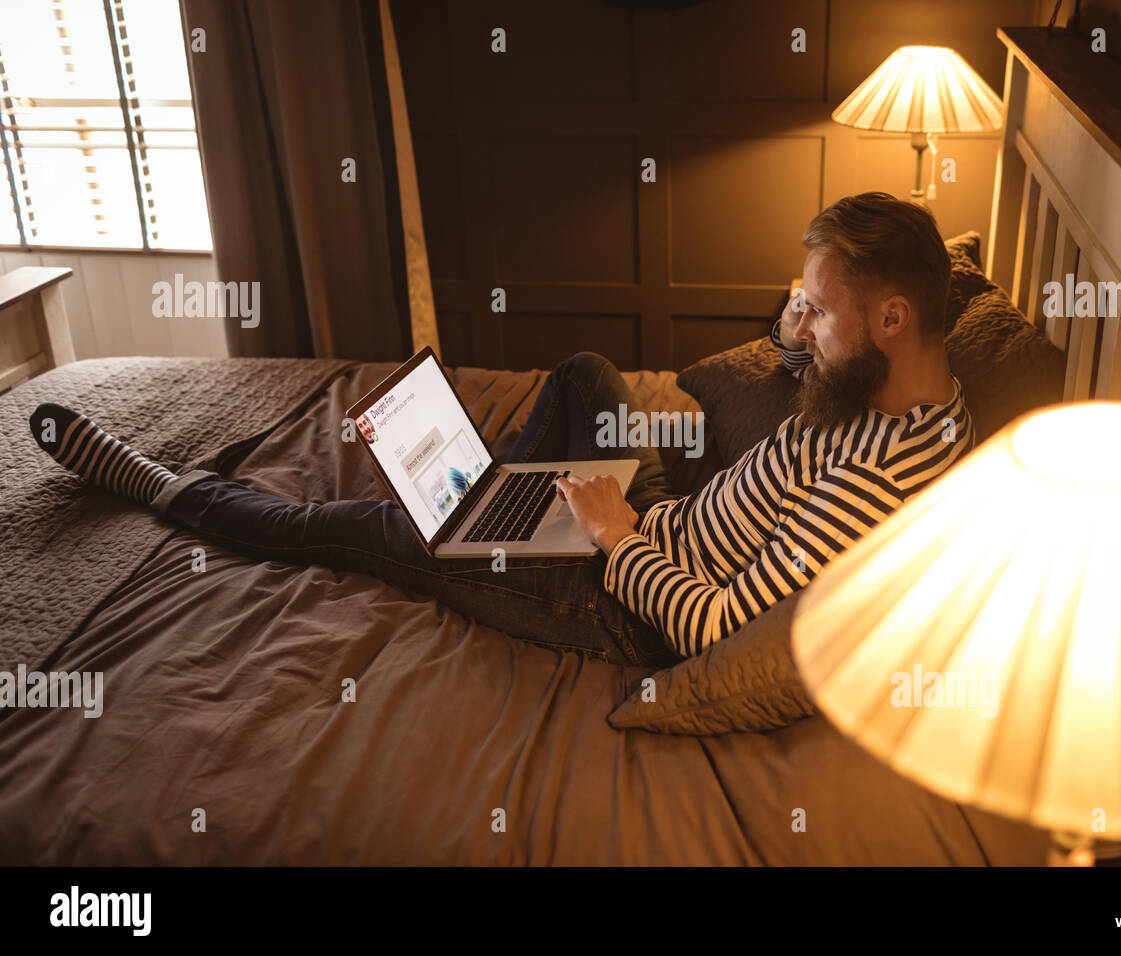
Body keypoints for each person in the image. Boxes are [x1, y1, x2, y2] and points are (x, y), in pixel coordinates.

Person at [28, 192, 973, 667]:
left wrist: (613, 538)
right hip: (660, 520)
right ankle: (498, 504)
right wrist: (808, 311)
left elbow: (715, 630)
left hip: (619, 598)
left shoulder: (879, 488)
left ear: (894, 318)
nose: (794, 332)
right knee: (586, 377)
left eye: (816, 312)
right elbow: (817, 328)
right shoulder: (911, 387)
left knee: (365, 527)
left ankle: (166, 486)